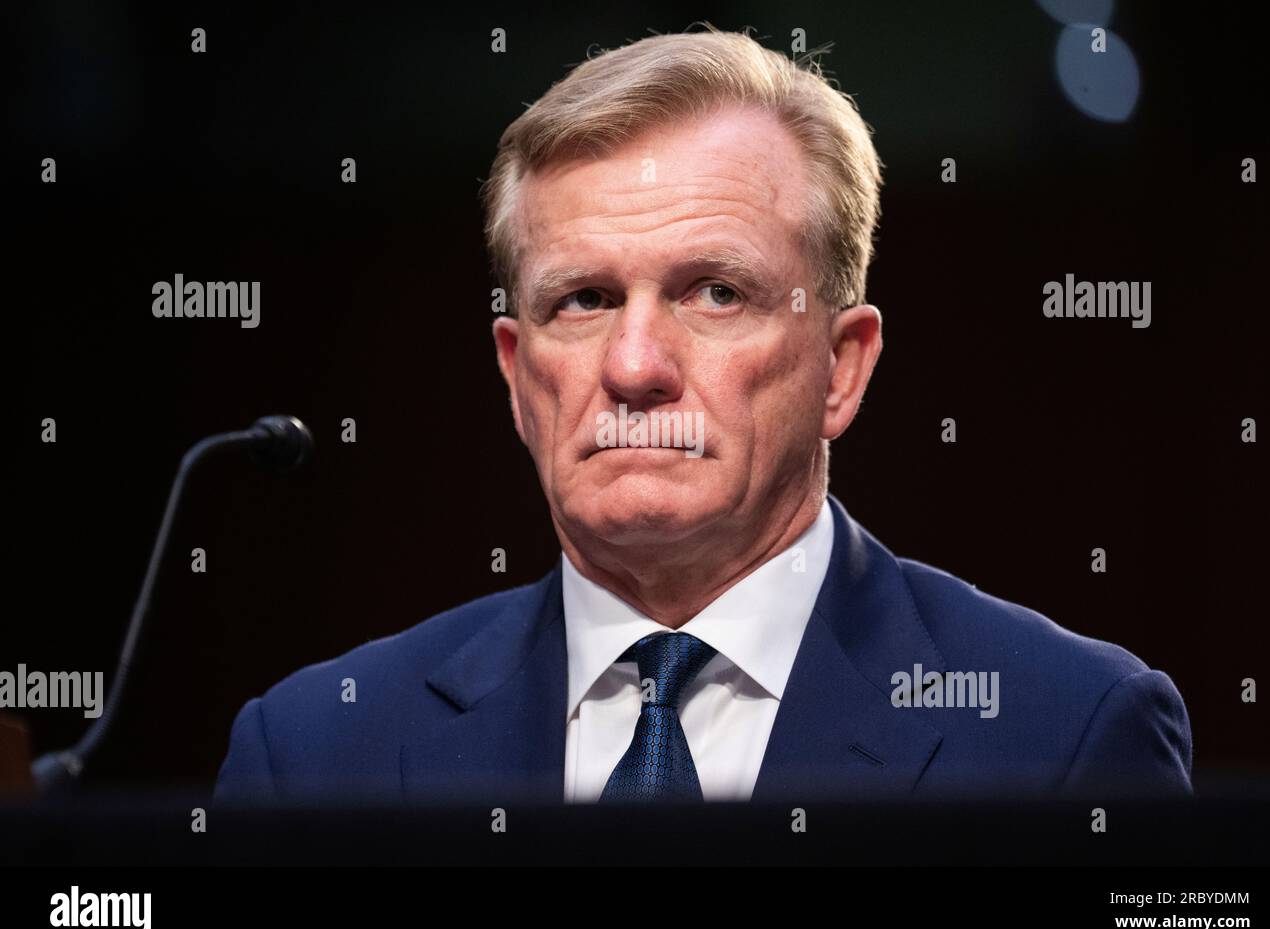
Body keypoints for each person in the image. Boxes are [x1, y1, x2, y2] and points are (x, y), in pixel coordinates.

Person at [215, 26, 1192, 806]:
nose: (634, 366)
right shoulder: (313, 754)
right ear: (518, 377)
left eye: (715, 292)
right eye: (583, 300)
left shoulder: (1063, 737)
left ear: (841, 368)